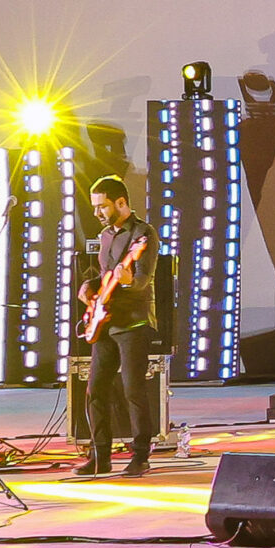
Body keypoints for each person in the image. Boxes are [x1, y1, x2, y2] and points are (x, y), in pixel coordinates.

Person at [74, 176, 161, 477]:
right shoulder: (106, 235)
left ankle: (140, 455)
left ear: (121, 203)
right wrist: (88, 286)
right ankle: (100, 456)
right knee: (95, 390)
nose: (97, 213)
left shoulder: (143, 233)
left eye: (103, 206)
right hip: (105, 322)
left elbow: (143, 279)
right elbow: (104, 275)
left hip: (134, 322)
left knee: (133, 389)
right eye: (95, 206)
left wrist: (129, 280)